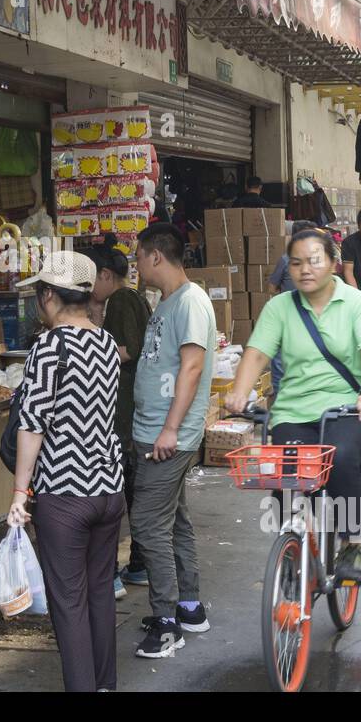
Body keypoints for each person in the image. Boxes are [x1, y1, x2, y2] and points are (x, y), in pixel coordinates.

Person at [223, 228, 361, 584]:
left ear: (332, 261)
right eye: (295, 263)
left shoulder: (358, 304)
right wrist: (239, 391)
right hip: (293, 411)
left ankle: (352, 543)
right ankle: (296, 539)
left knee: (341, 457)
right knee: (281, 471)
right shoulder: (279, 307)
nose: (304, 270)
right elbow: (256, 353)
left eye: (314, 260)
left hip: (348, 410)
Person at [8, 251, 125, 692]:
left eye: (40, 295)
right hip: (108, 490)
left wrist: (21, 492)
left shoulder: (49, 346)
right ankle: (105, 685)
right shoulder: (107, 344)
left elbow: (32, 422)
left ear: (49, 297)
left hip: (64, 494)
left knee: (69, 603)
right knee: (99, 595)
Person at [129, 223, 216, 658]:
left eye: (139, 256)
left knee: (147, 524)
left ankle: (166, 625)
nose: (137, 264)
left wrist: (169, 429)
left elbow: (192, 367)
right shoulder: (165, 302)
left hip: (168, 436)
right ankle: (189, 608)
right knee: (173, 521)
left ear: (156, 257)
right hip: (156, 432)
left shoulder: (191, 302)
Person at [86, 243, 152, 596]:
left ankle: (130, 566)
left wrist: (92, 352)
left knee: (125, 492)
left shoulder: (125, 301)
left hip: (124, 410)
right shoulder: (126, 300)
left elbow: (131, 347)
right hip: (129, 409)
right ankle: (139, 563)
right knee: (133, 491)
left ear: (105, 275)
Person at [266, 221, 320, 390]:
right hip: (291, 317)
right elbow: (272, 288)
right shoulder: (286, 260)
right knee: (282, 357)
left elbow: (272, 287)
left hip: (310, 316)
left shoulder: (318, 261)